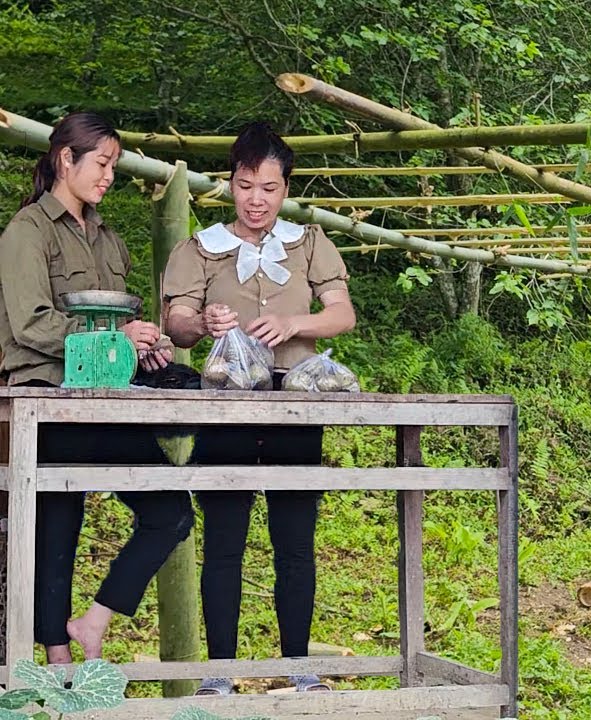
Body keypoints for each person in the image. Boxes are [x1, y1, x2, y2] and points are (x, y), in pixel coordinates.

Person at [163, 122, 355, 695]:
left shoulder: (311, 243)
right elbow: (176, 322)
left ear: (285, 188)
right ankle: (217, 673)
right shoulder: (199, 249)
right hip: (226, 405)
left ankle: (300, 666)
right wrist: (204, 323)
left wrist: (298, 322)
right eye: (245, 186)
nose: (256, 200)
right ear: (229, 184)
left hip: (297, 404)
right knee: (224, 540)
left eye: (269, 188)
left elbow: (341, 314)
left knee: (294, 540)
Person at [0, 111, 194, 663]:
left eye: (114, 164)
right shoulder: (26, 232)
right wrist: (116, 336)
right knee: (55, 537)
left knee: (171, 512)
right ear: (67, 159)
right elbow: (32, 324)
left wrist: (144, 347)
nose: (109, 175)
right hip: (47, 399)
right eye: (102, 163)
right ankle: (57, 667)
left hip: (106, 400)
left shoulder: (108, 239)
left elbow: (117, 326)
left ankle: (94, 621)